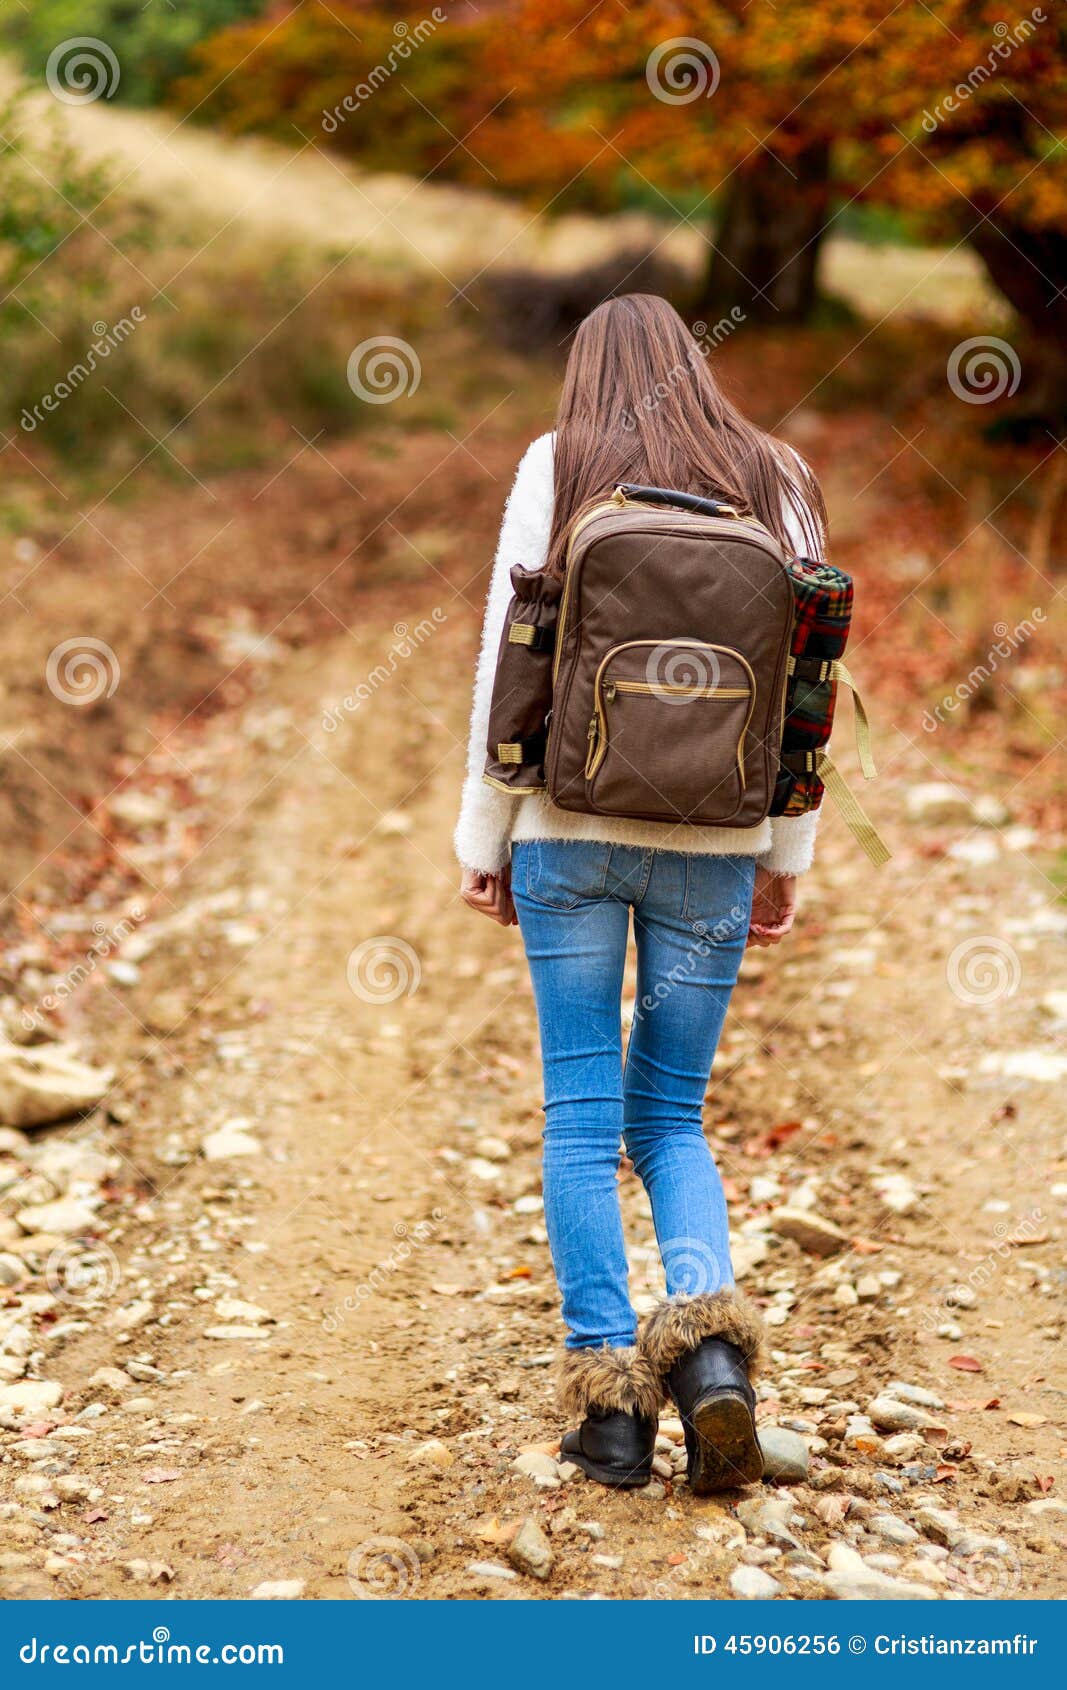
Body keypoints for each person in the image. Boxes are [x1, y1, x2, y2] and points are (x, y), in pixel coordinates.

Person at [454, 294, 826, 1492]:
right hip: (713, 843)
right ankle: (712, 1355)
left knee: (578, 1113)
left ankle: (608, 1411)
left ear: (584, 373)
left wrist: (485, 829)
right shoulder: (774, 475)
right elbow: (808, 682)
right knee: (668, 1117)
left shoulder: (558, 465)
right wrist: (783, 855)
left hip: (567, 830)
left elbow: (504, 653)